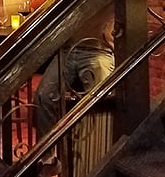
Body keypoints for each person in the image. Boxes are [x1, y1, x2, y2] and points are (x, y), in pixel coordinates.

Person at [33, 8, 115, 147]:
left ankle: (96, 157)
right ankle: (48, 159)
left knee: (101, 100)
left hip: (99, 50)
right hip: (67, 50)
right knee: (44, 96)